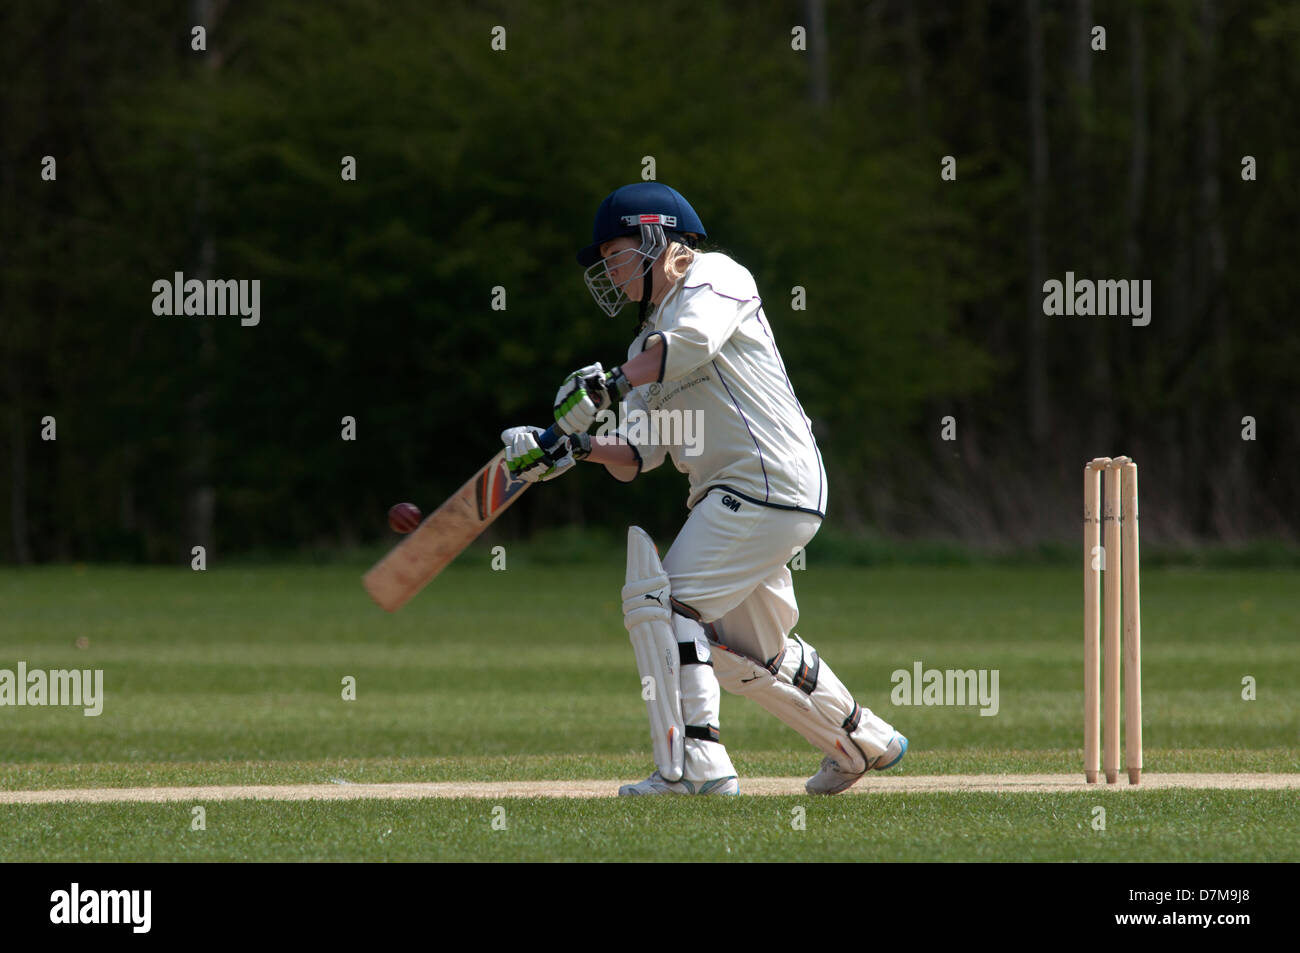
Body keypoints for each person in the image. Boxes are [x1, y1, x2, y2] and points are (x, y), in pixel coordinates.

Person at [501, 182, 907, 795]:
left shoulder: (717, 276)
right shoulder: (646, 345)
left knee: (667, 606)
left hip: (765, 480)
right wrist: (571, 447)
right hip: (744, 495)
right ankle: (864, 741)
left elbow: (692, 343)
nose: (608, 269)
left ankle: (698, 766)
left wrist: (607, 385)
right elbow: (640, 453)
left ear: (656, 237)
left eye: (614, 252)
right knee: (750, 652)